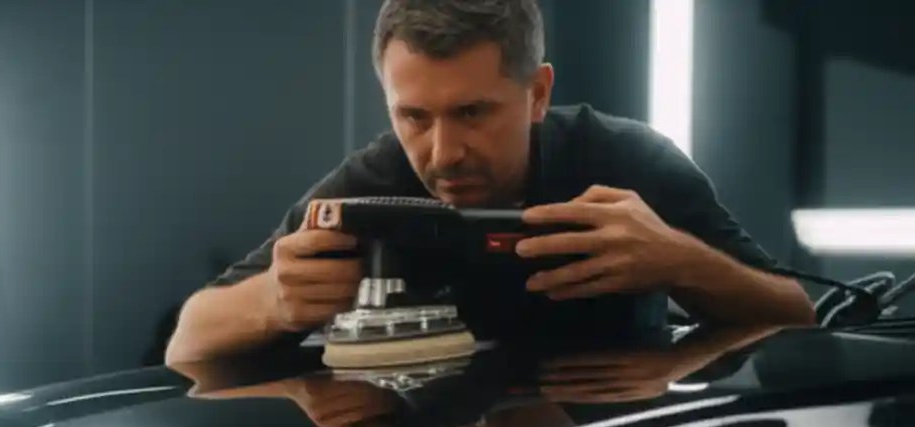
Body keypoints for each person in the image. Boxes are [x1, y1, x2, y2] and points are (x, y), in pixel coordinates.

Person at [165, 0, 815, 364]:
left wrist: (683, 263)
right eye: (413, 116)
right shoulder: (372, 183)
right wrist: (274, 302)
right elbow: (188, 339)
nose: (443, 153)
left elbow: (799, 319)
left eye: (473, 113)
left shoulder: (627, 161)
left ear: (537, 94)